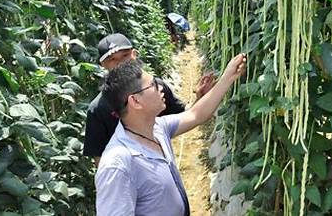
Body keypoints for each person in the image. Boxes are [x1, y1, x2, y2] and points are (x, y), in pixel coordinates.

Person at [95, 54, 246, 216]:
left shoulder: (157, 128)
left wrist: (229, 76)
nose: (161, 87)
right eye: (153, 85)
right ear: (135, 101)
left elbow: (196, 115)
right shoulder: (117, 165)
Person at [83, 33, 216, 166]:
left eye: (125, 55)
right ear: (103, 65)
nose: (121, 63)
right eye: (112, 60)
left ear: (134, 54)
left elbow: (186, 116)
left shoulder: (156, 88)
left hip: (162, 165)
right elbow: (101, 161)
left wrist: (200, 98)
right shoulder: (98, 110)